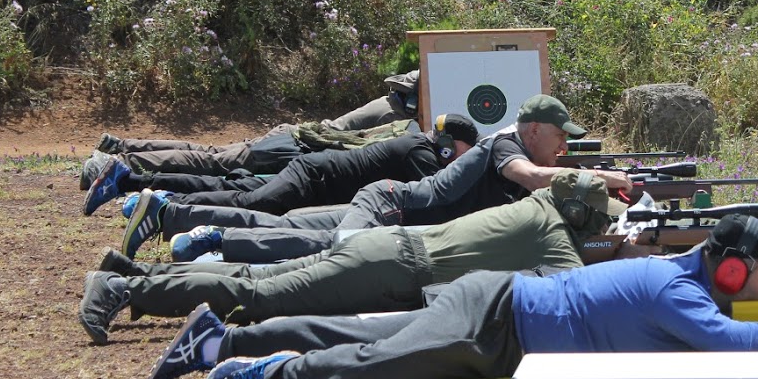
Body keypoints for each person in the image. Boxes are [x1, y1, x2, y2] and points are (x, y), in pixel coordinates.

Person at [139, 213, 758, 379]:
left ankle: (220, 338)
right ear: (730, 268)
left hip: (498, 307)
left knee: (354, 331)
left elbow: (754, 339)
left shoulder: (690, 284)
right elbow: (741, 351)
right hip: (499, 322)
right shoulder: (675, 289)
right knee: (379, 361)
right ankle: (260, 373)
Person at [80, 171, 626, 346]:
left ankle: (136, 273)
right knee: (257, 297)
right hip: (388, 268)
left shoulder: (538, 205)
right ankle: (123, 291)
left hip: (381, 250)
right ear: (579, 215)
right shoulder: (555, 234)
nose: (598, 230)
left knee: (252, 275)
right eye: (597, 222)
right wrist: (625, 255)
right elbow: (577, 294)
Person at [125, 94, 634, 262]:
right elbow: (534, 176)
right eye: (560, 137)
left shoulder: (523, 153)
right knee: (335, 253)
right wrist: (598, 178)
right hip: (391, 209)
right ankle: (217, 246)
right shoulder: (507, 145)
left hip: (388, 206)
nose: (565, 147)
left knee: (291, 226)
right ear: (535, 129)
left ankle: (170, 213)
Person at [81, 113, 480, 217]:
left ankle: (129, 180)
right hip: (312, 178)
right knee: (250, 205)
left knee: (231, 187)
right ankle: (163, 206)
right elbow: (439, 196)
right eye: (464, 150)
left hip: (313, 177)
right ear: (448, 145)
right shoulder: (420, 153)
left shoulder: (418, 147)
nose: (464, 158)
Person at [79, 70, 422, 184]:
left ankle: (122, 146)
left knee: (210, 154)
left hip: (290, 138)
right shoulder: (393, 116)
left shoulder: (388, 103)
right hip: (291, 146)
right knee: (209, 162)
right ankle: (119, 163)